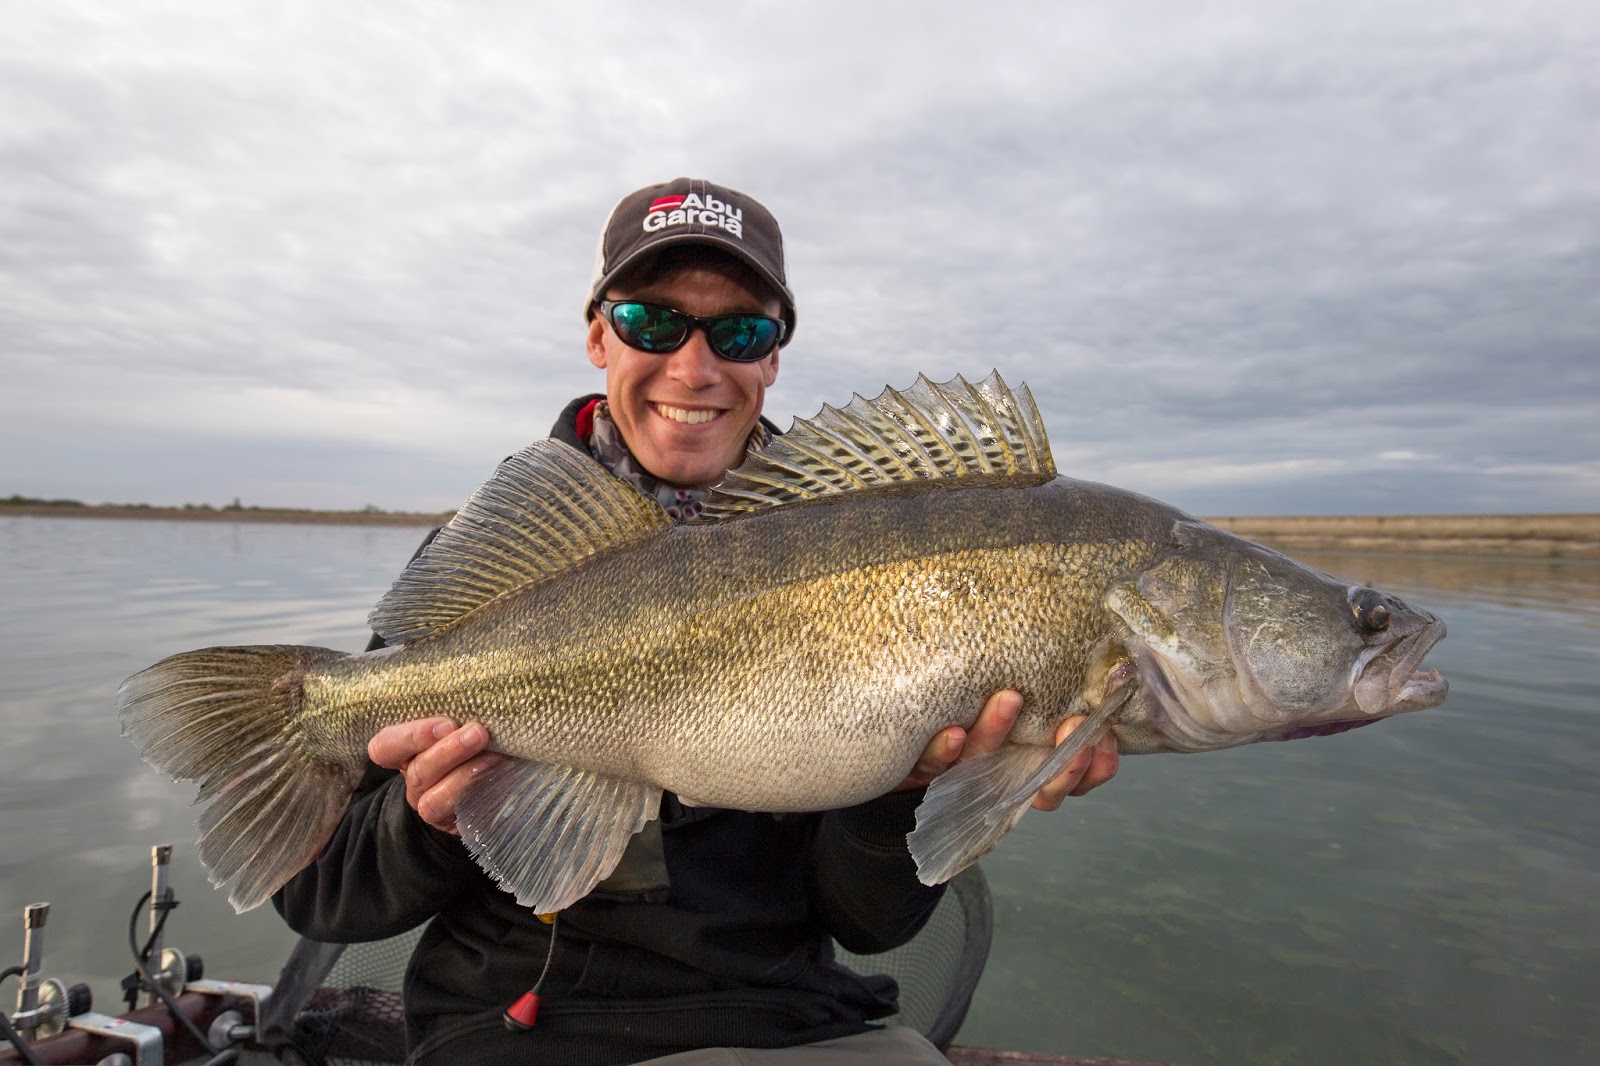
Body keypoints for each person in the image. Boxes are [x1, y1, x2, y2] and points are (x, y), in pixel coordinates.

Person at [274, 178, 1119, 1066]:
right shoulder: (502, 572)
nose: (694, 366)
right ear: (598, 333)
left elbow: (867, 927)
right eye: (653, 322)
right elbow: (323, 896)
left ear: (774, 357)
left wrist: (910, 792)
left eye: (740, 330)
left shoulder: (868, 542)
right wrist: (429, 821)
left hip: (789, 1025)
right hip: (520, 1025)